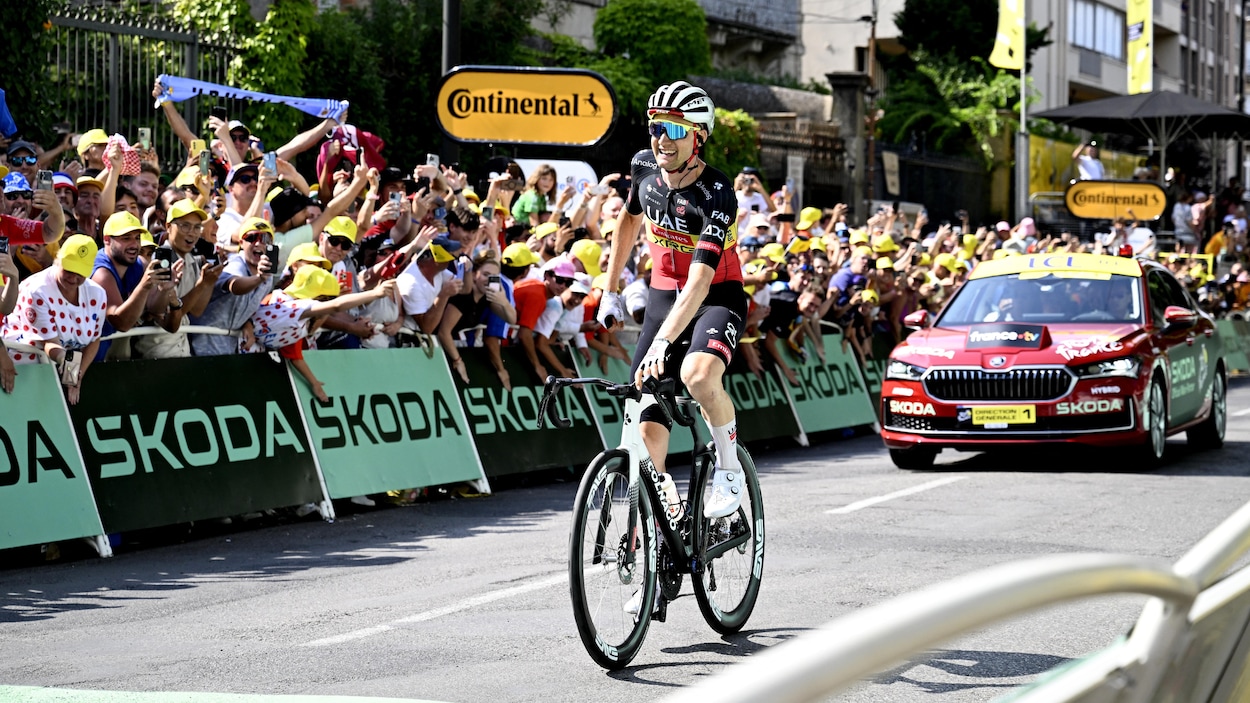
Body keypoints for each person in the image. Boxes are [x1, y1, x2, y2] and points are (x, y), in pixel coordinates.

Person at [598, 80, 746, 527]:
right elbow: (627, 219)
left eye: (676, 131)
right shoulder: (643, 167)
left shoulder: (716, 192)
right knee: (645, 420)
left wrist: (664, 342)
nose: (662, 139)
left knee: (697, 376)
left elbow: (701, 281)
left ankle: (729, 467)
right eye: (656, 127)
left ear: (698, 137)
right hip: (664, 293)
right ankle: (661, 530)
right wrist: (610, 288)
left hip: (715, 295)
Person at [252, 265, 398, 402]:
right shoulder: (297, 308)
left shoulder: (292, 316)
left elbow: (295, 356)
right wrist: (375, 294)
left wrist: (314, 383)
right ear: (320, 299)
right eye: (329, 299)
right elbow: (336, 306)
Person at [1, 235, 108, 404]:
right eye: (68, 270)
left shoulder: (97, 293)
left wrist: (76, 376)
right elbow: (49, 344)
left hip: (60, 368)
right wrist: (71, 370)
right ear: (57, 260)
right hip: (21, 369)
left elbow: (94, 339)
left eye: (80, 273)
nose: (73, 278)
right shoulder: (38, 291)